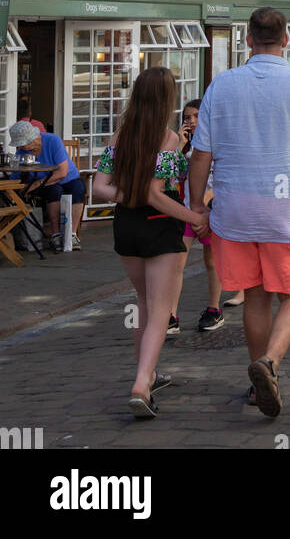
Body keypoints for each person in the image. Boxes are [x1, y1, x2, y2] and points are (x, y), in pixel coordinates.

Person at [187, 7, 290, 418]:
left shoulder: (221, 85)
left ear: (247, 39)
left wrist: (194, 204)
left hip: (235, 209)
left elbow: (200, 154)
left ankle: (258, 385)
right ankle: (270, 363)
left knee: (255, 298)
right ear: (287, 39)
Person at [92, 67, 203, 418]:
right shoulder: (167, 138)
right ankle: (142, 383)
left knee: (143, 302)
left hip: (125, 225)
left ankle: (149, 372)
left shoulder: (120, 135)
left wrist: (129, 196)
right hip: (158, 226)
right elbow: (157, 195)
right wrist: (196, 218)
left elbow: (98, 187)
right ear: (166, 99)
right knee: (160, 308)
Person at [168, 100, 226, 334]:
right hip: (188, 211)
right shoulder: (184, 147)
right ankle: (171, 314)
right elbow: (172, 175)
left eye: (195, 116)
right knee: (176, 263)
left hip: (213, 210)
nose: (190, 121)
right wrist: (179, 146)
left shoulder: (218, 144)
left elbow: (221, 181)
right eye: (187, 117)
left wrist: (203, 208)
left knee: (212, 262)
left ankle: (214, 309)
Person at [9, 121, 87, 251]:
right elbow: (15, 176)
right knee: (54, 191)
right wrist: (20, 189)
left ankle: (71, 235)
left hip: (67, 178)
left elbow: (62, 172)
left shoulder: (53, 141)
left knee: (78, 189)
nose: (22, 147)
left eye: (24, 144)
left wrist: (35, 184)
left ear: (34, 138)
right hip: (47, 184)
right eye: (20, 145)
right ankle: (55, 235)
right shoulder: (22, 152)